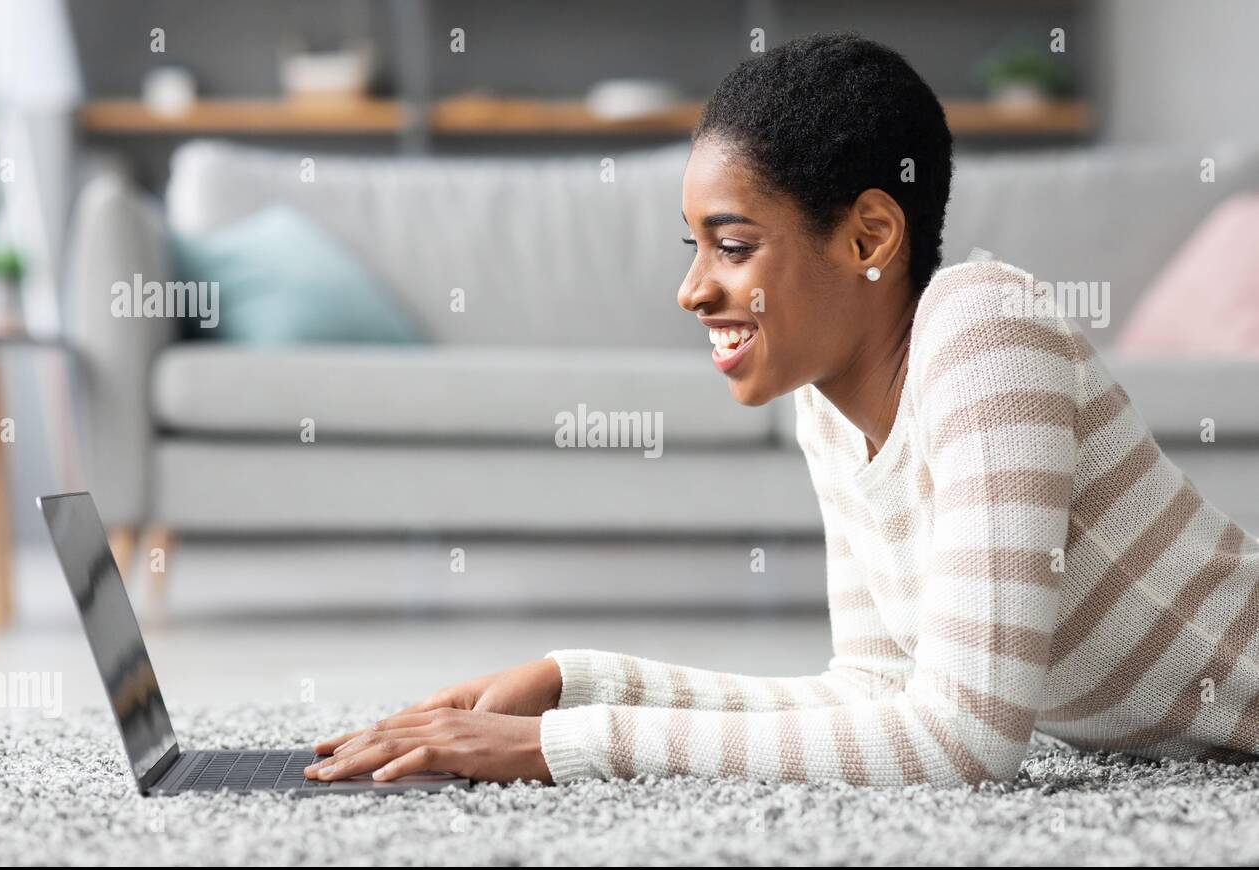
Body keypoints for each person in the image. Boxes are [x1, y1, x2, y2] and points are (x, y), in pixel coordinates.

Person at [306, 33, 1259, 789]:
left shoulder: (985, 334)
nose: (690, 290)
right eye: (696, 245)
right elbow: (876, 695)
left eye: (732, 245)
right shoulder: (828, 407)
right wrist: (572, 682)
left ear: (869, 235)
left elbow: (964, 743)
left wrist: (566, 747)